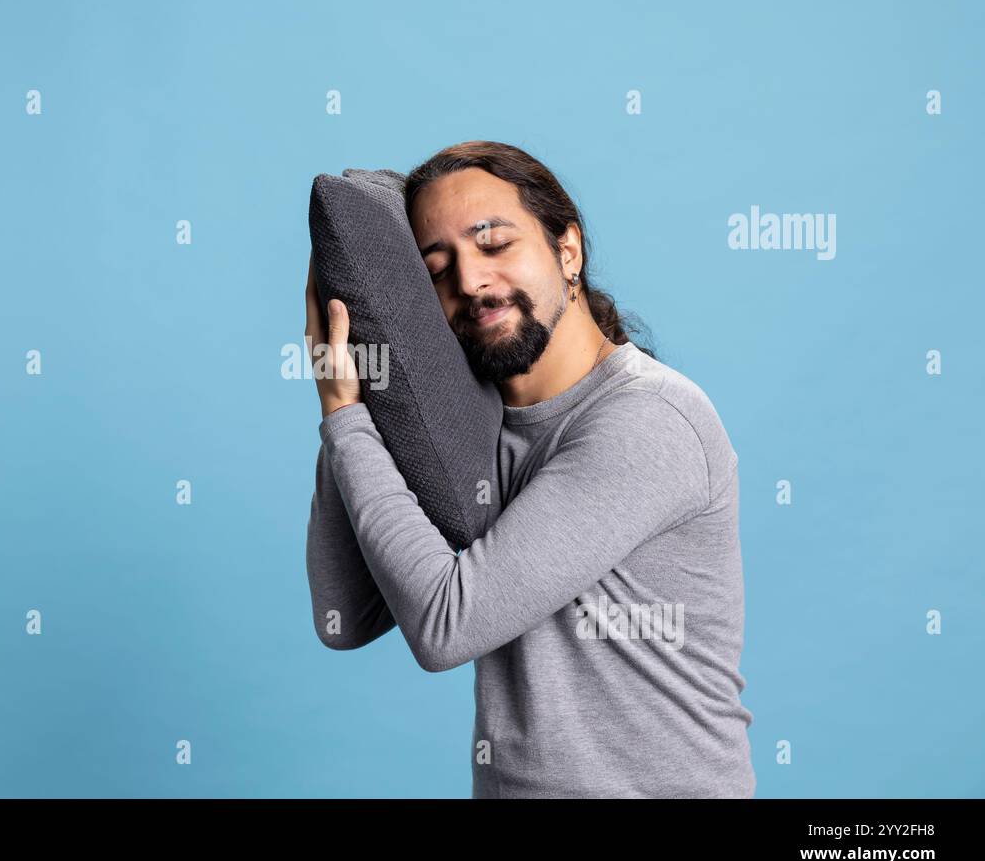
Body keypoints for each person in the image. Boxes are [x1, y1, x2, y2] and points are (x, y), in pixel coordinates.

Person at [303, 140, 755, 798]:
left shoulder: (648, 421)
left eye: (494, 245)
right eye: (438, 268)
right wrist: (361, 396)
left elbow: (443, 625)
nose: (471, 281)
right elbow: (345, 615)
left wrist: (344, 414)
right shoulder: (474, 429)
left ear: (567, 251)